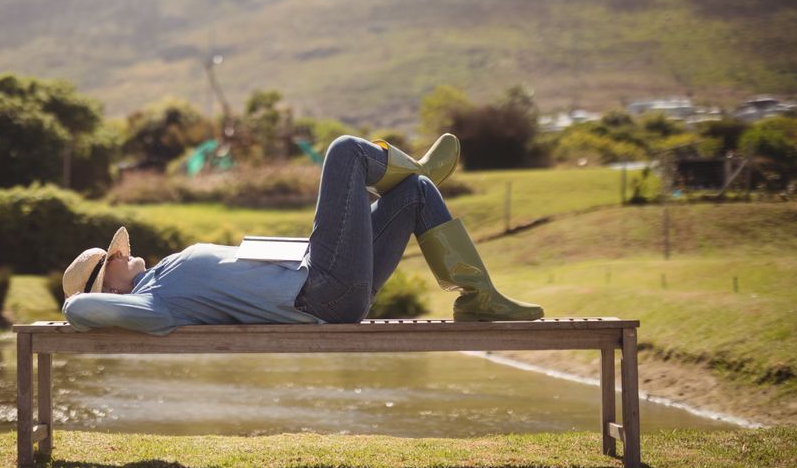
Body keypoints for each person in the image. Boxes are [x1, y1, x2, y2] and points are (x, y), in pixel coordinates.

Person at [62, 135, 543, 335]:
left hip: (322, 275)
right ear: (110, 285)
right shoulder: (153, 304)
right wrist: (72, 303)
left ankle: (477, 296)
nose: (123, 254)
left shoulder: (160, 278)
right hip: (322, 292)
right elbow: (81, 308)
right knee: (343, 152)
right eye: (113, 260)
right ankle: (415, 168)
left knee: (413, 194)